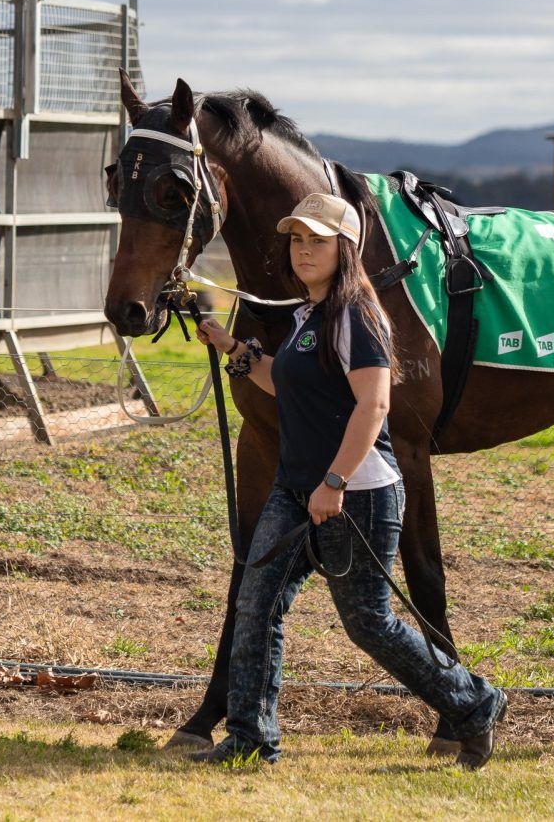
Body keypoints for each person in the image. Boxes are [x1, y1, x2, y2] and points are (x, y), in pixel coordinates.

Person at [188, 192, 506, 769]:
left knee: (371, 624)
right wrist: (232, 348)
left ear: (347, 248)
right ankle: (251, 737)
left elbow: (375, 404)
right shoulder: (310, 313)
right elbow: (288, 385)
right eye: (297, 240)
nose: (303, 250)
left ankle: (476, 702)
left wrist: (334, 481)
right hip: (296, 490)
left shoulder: (356, 313)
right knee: (257, 607)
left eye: (318, 240)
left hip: (355, 492)